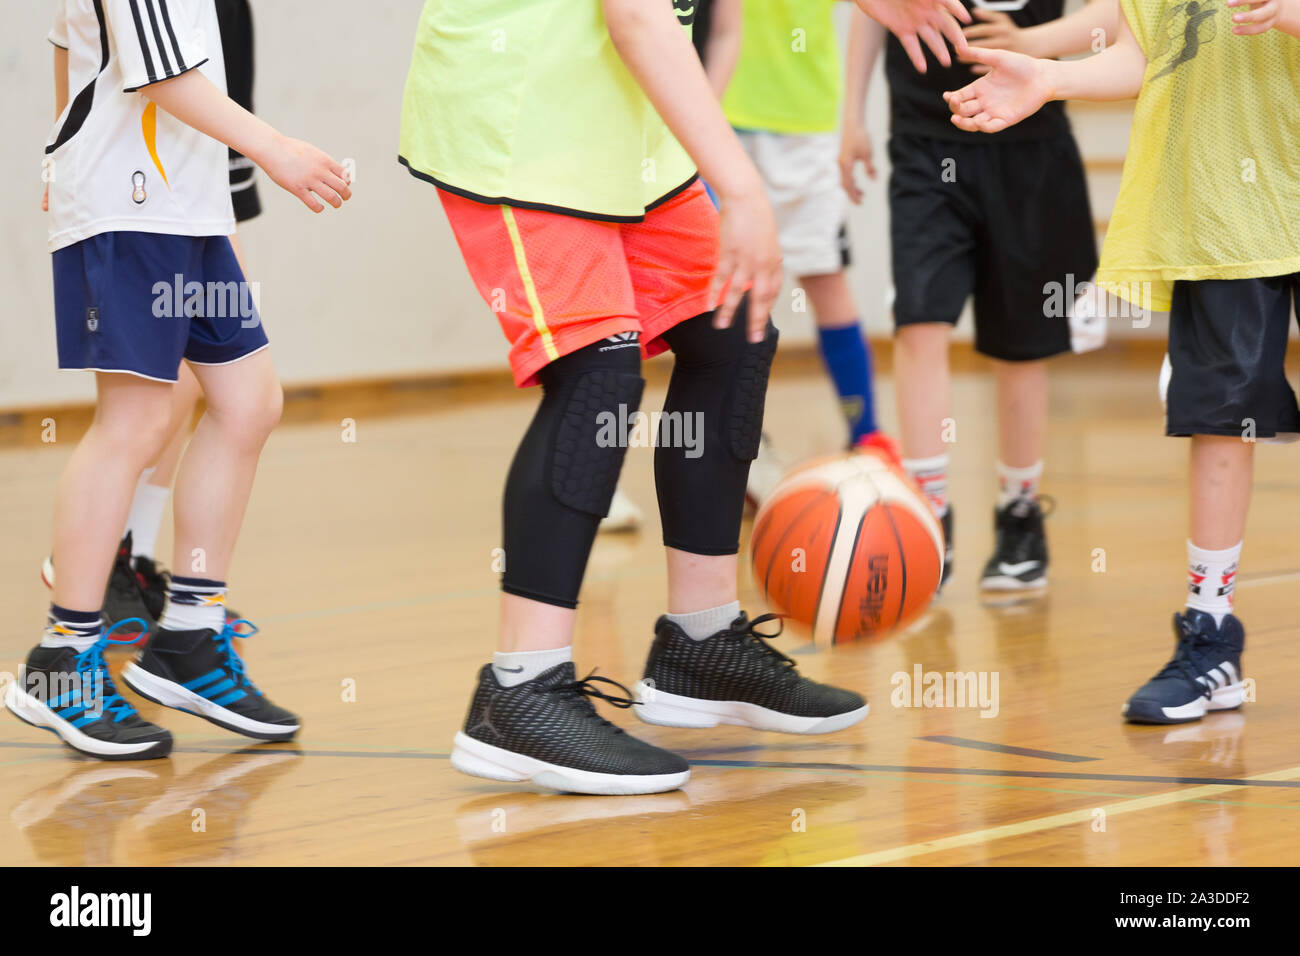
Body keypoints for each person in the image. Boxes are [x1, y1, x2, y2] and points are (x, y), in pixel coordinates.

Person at [399, 0, 971, 795]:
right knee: (597, 372)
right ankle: (519, 692)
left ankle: (700, 646)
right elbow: (633, 11)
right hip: (522, 113)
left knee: (732, 330)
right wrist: (743, 189)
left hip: (624, 112)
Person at [7, 0, 351, 760]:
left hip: (189, 206)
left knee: (249, 401)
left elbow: (69, 44)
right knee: (135, 425)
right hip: (128, 202)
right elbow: (160, 73)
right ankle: (62, 660)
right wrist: (276, 149)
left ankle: (190, 638)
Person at [944, 0, 1300, 720]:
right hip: (1224, 212)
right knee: (1221, 422)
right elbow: (1152, 49)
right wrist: (1049, 77)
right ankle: (1211, 634)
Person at [840, 0, 1099, 591]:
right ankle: (930, 514)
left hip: (1031, 145)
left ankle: (1020, 511)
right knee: (920, 322)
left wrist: (1044, 37)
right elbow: (868, 10)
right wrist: (851, 115)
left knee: (1021, 346)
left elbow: (1120, 15)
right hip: (925, 141)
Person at [39, 0, 262, 636]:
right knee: (144, 410)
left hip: (197, 168)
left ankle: (177, 615)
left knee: (245, 397)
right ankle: (82, 609)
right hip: (138, 183)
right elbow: (147, 67)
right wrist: (277, 149)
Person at [719, 0, 900, 505]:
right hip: (721, 114)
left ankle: (867, 434)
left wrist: (853, 118)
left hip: (808, 123)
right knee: (732, 289)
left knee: (826, 278)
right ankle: (741, 443)